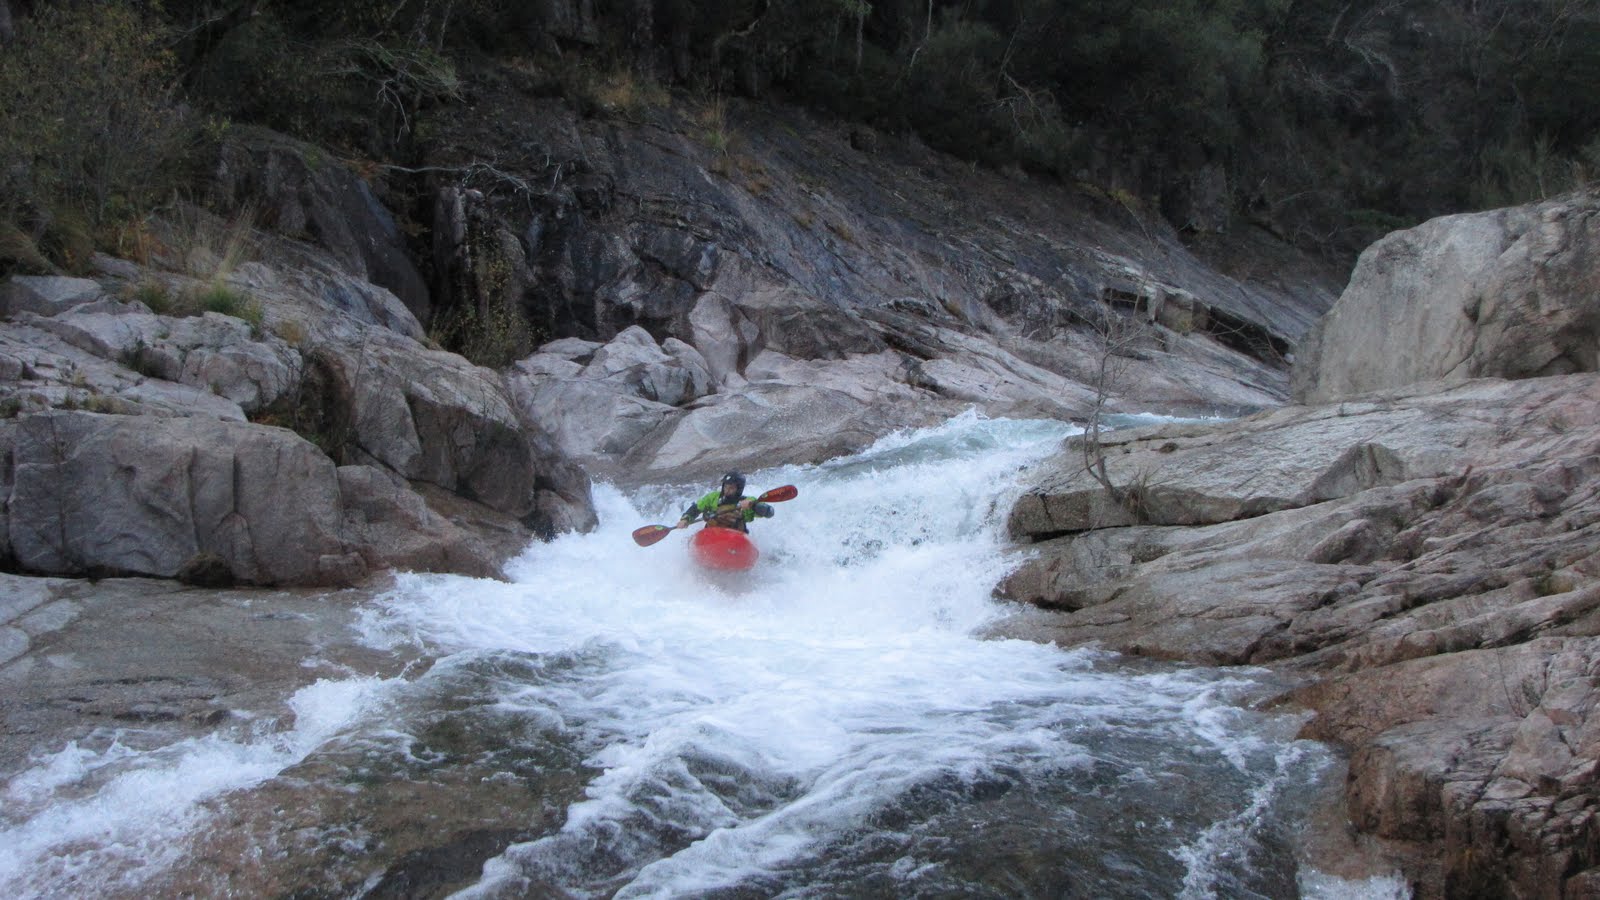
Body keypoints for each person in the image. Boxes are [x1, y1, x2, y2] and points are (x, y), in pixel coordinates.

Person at [675, 471, 774, 533]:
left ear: (738, 489)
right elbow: (696, 508)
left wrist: (753, 505)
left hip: (735, 538)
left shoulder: (747, 501)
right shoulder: (713, 497)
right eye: (726, 486)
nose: (727, 490)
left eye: (731, 488)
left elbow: (769, 512)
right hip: (711, 536)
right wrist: (685, 519)